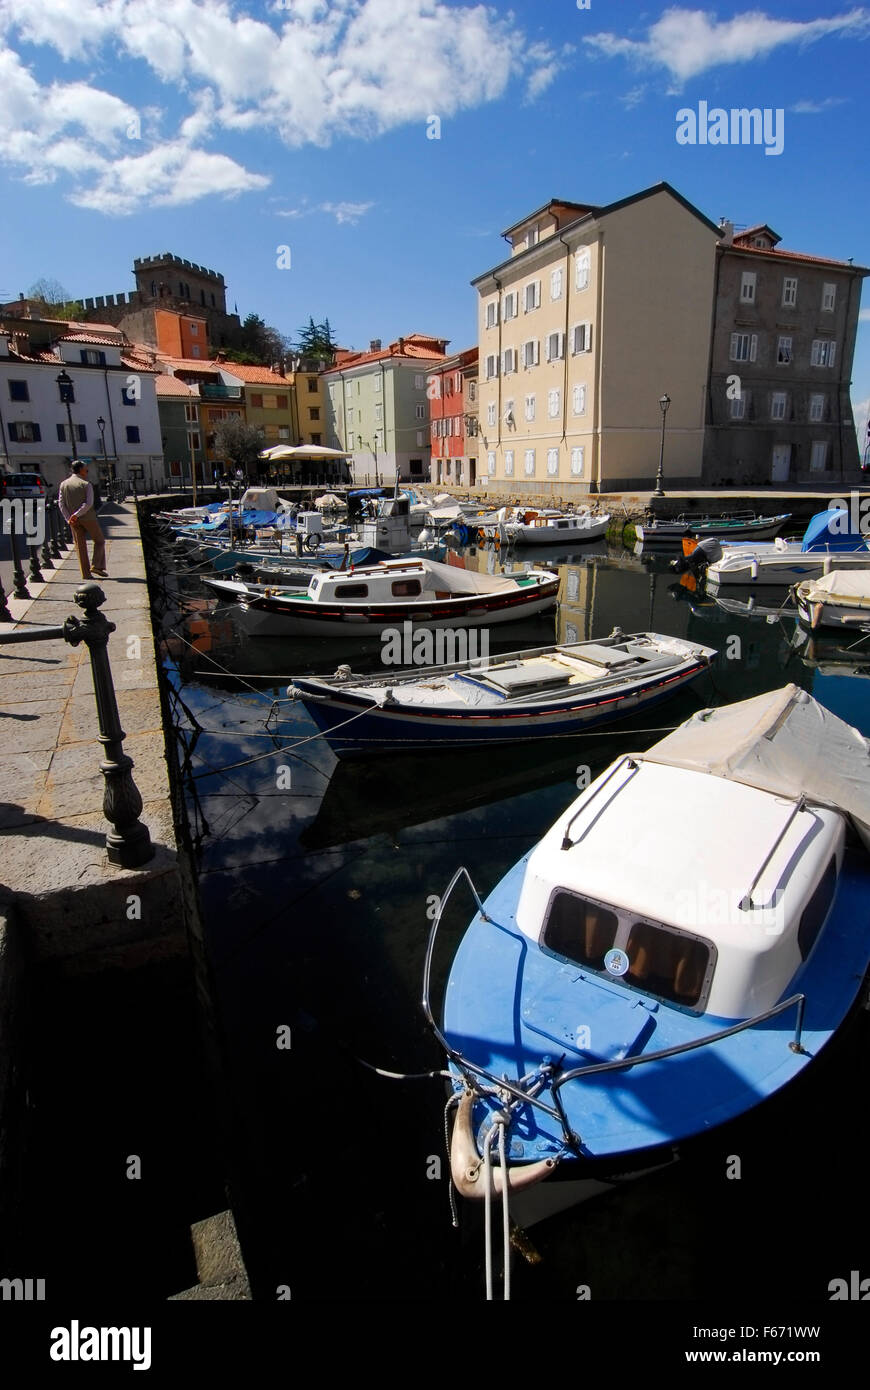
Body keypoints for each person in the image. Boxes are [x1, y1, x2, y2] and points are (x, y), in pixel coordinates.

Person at [58, 461, 107, 580]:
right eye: (86, 470)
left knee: (80, 546)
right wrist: (77, 514)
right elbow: (89, 503)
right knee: (99, 540)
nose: (87, 472)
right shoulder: (86, 484)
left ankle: (85, 574)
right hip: (88, 518)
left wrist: (69, 517)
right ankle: (96, 566)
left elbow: (61, 504)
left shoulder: (63, 484)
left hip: (73, 521)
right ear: (80, 470)